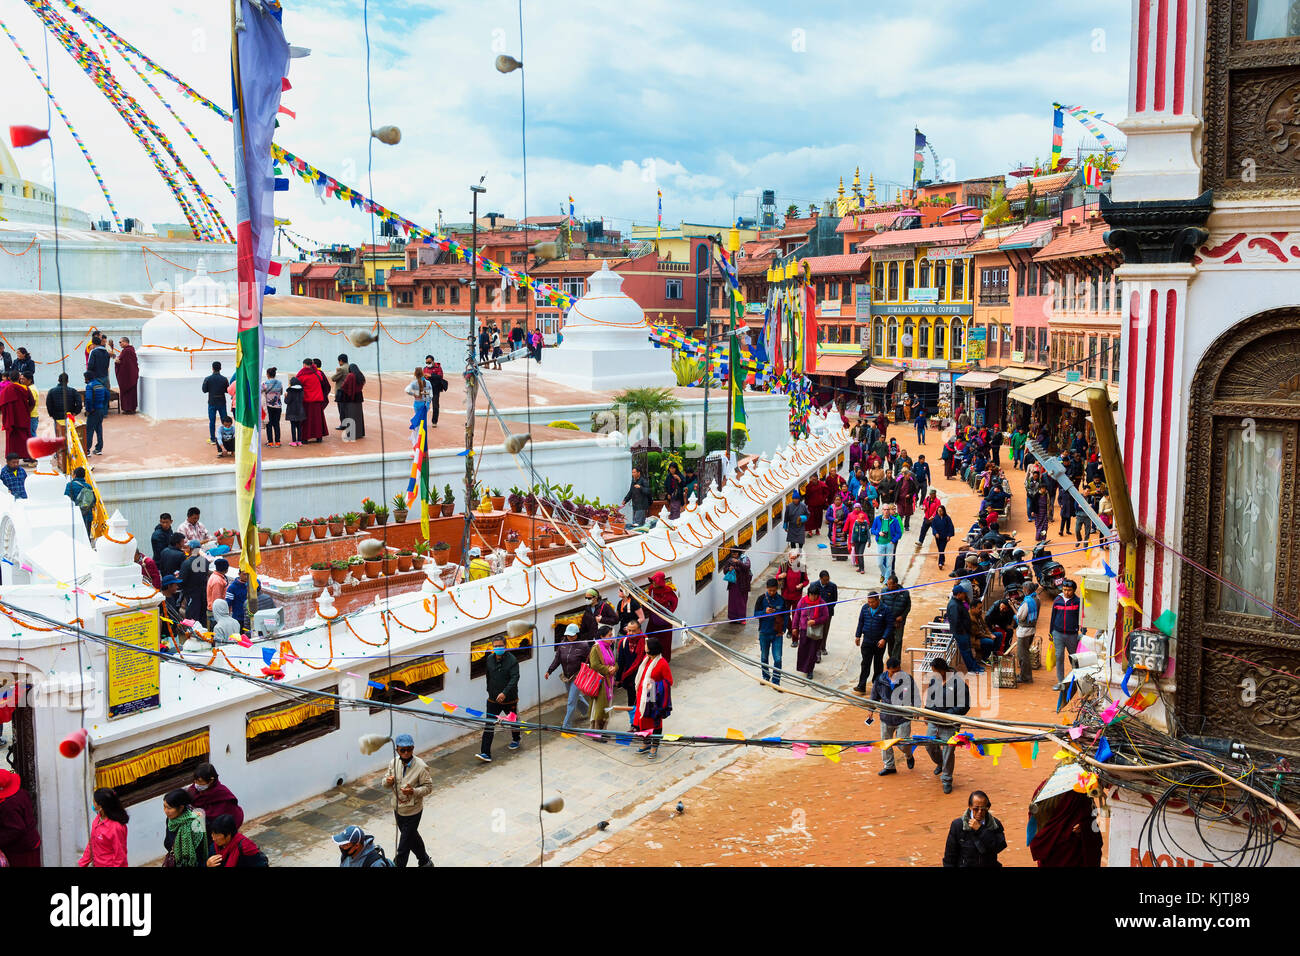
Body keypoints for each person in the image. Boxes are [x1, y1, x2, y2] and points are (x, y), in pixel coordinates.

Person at [380, 733, 434, 867]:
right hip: (398, 809)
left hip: (413, 811)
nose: (405, 753)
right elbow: (384, 784)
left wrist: (413, 791)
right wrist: (387, 781)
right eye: (402, 750)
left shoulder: (421, 766)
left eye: (409, 749)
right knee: (412, 838)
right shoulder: (393, 762)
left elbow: (428, 787)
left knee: (403, 847)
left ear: (413, 749)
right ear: (397, 750)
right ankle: (425, 861)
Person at [923, 658, 970, 794]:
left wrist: (948, 714)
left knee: (948, 751)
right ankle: (940, 762)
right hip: (934, 720)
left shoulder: (959, 684)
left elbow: (964, 705)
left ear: (943, 670)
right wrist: (926, 711)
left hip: (949, 723)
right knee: (929, 745)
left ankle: (947, 779)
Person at [870, 657, 918, 775]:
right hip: (886, 717)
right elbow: (874, 696)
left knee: (903, 744)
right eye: (894, 672)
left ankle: (908, 755)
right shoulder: (880, 680)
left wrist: (916, 709)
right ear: (887, 670)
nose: (897, 674)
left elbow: (915, 694)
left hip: (903, 717)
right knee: (886, 743)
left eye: (898, 671)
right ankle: (889, 766)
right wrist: (870, 710)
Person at [477, 635, 521, 761]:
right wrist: (490, 691)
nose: (498, 648)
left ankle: (516, 738)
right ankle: (485, 753)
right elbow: (488, 676)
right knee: (489, 724)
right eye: (495, 646)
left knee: (512, 720)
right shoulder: (490, 659)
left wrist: (504, 693)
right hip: (493, 699)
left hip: (509, 698)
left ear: (505, 646)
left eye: (500, 646)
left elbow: (515, 678)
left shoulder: (512, 660)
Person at [632, 635, 673, 759]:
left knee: (655, 723)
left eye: (646, 645)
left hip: (653, 698)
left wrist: (653, 686)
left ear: (651, 649)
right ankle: (646, 743)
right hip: (642, 696)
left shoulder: (662, 663)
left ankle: (654, 746)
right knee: (642, 720)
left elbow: (669, 681)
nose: (644, 647)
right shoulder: (647, 659)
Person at [547, 622, 593, 729]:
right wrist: (549, 671)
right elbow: (557, 659)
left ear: (577, 634)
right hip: (566, 676)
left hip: (578, 676)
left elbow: (590, 660)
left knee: (571, 701)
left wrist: (589, 673)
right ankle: (587, 710)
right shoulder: (562, 644)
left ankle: (566, 725)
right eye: (568, 635)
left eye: (572, 635)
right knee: (576, 697)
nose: (570, 637)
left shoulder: (584, 646)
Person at [943, 790, 1006, 866]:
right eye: (976, 809)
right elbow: (950, 857)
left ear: (987, 808)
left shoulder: (994, 824)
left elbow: (1000, 846)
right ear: (970, 807)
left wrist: (981, 830)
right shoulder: (958, 825)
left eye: (983, 809)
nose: (980, 812)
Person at [77, 787, 129, 867]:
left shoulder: (116, 827)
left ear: (101, 807)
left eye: (94, 802)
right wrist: (82, 863)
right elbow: (92, 843)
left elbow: (120, 857)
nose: (93, 803)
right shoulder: (98, 818)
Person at [853, 590, 893, 693]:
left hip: (879, 642)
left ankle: (876, 686)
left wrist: (884, 638)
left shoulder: (885, 610)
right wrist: (858, 635)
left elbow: (889, 626)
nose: (870, 604)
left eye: (872, 602)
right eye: (869, 602)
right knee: (865, 663)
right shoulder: (865, 608)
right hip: (867, 640)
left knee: (878, 664)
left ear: (878, 600)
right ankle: (861, 685)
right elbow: (861, 622)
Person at [0, 770, 41, 866]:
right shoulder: (22, 793)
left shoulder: (7, 806)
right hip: (32, 842)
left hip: (21, 850)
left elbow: (16, 829)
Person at [187, 763, 244, 831]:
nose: (196, 784)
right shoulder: (193, 789)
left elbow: (218, 817)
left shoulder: (222, 793)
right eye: (195, 781)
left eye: (200, 781)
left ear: (211, 780)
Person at [161, 788, 209, 868]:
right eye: (164, 807)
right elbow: (168, 843)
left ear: (181, 807)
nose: (165, 811)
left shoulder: (195, 823)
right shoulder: (170, 820)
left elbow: (199, 852)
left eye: (169, 808)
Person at [585, 625, 620, 731]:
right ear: (602, 636)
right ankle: (596, 731)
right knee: (599, 708)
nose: (612, 637)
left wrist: (615, 668)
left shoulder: (608, 648)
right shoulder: (596, 648)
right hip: (600, 683)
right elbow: (594, 665)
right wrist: (607, 670)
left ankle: (603, 729)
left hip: (609, 682)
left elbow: (615, 662)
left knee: (606, 707)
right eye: (609, 635)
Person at [791, 582, 829, 679]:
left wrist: (815, 621)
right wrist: (794, 627)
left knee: (812, 651)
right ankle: (803, 668)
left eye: (815, 595)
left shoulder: (822, 603)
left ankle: (810, 670)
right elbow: (797, 615)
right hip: (804, 630)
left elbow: (825, 617)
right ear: (808, 594)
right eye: (812, 595)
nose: (813, 597)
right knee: (803, 650)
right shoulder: (803, 601)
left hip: (816, 632)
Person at [753, 578, 787, 686]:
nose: (772, 592)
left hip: (777, 634)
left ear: (777, 589)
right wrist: (764, 612)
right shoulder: (761, 599)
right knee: (764, 657)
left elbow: (786, 616)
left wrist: (784, 629)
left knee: (777, 659)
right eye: (770, 590)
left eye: (774, 590)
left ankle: (776, 681)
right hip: (764, 633)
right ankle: (766, 676)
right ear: (766, 588)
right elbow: (755, 615)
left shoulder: (781, 600)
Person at [1050, 579, 1083, 686]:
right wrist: (1051, 632)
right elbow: (1053, 617)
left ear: (1074, 590)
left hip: (1072, 635)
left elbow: (1082, 619)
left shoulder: (1077, 602)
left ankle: (1078, 680)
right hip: (1057, 634)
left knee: (1074, 658)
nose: (1066, 592)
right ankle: (1061, 682)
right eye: (1064, 590)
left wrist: (1083, 632)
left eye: (1069, 590)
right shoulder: (1057, 600)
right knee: (1059, 656)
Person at [616, 617, 647, 729]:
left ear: (639, 630)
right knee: (631, 703)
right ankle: (633, 724)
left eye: (633, 631)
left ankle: (642, 724)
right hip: (629, 680)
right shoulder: (623, 643)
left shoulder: (645, 642)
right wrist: (618, 679)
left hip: (643, 680)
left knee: (642, 703)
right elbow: (621, 662)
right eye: (629, 630)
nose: (631, 633)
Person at [0, 372, 33, 461]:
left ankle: (11, 458)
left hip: (10, 420)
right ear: (19, 378)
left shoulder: (5, 390)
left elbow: (2, 405)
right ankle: (29, 457)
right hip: (23, 418)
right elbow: (32, 402)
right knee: (24, 437)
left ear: (9, 378)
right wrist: (27, 412)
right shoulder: (25, 388)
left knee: (12, 439)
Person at [296, 358, 328, 442]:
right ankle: (319, 437)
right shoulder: (317, 373)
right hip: (317, 400)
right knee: (318, 420)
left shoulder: (302, 375)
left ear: (304, 365)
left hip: (307, 400)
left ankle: (305, 438)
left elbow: (297, 383)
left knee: (306, 421)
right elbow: (322, 381)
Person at [881, 572, 911, 662]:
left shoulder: (905, 593)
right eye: (888, 584)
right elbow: (881, 606)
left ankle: (896, 660)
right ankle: (892, 659)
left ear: (896, 584)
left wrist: (902, 616)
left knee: (898, 641)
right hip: (888, 621)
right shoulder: (884, 592)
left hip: (899, 622)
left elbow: (908, 607)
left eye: (890, 584)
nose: (888, 586)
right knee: (890, 641)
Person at [870, 503, 903, 583]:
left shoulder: (894, 520)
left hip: (890, 544)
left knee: (889, 564)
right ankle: (885, 575)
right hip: (880, 543)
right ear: (882, 510)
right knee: (880, 563)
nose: (886, 511)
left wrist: (893, 541)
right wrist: (878, 533)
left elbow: (899, 533)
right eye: (884, 510)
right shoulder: (878, 519)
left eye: (888, 510)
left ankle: (886, 582)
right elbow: (872, 530)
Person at [1016, 584, 1040, 684]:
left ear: (1027, 590)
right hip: (1031, 630)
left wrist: (1017, 610)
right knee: (1025, 653)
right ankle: (1024, 674)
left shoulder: (1028, 601)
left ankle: (1026, 677)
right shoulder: (1036, 598)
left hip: (1024, 631)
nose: (1023, 590)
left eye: (1023, 589)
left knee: (1022, 655)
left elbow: (1020, 616)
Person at [81, 371, 108, 456]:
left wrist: (89, 409)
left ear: (87, 378)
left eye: (85, 378)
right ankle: (99, 448)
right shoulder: (100, 385)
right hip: (100, 410)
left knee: (89, 430)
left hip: (93, 411)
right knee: (99, 429)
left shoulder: (89, 386)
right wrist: (102, 406)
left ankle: (87, 449)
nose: (84, 379)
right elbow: (107, 395)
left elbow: (88, 399)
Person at [201, 361, 229, 445]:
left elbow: (204, 390)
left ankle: (213, 439)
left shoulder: (208, 379)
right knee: (224, 420)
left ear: (212, 368)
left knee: (212, 421)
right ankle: (226, 437)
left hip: (212, 402)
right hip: (221, 402)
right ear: (220, 368)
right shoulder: (224, 379)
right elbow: (227, 390)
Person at [338, 363, 366, 440]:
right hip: (359, 397)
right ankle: (360, 433)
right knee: (359, 416)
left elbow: (344, 385)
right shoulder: (360, 375)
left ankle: (352, 434)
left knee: (350, 415)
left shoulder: (350, 375)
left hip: (350, 398)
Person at [64, 466, 95, 534]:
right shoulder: (88, 486)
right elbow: (94, 500)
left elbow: (66, 499)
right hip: (87, 515)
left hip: (75, 515)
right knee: (87, 537)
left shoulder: (70, 485)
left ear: (74, 475)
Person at [723, 551, 752, 622]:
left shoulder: (745, 559)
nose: (734, 555)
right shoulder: (730, 560)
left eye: (735, 554)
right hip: (733, 584)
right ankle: (733, 619)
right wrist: (728, 569)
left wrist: (738, 562)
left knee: (741, 602)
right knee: (733, 602)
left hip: (743, 584)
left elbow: (747, 567)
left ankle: (742, 619)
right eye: (733, 554)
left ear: (739, 553)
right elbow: (724, 570)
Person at [113, 337, 139, 413]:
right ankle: (131, 408)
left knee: (127, 393)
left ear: (125, 342)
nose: (119, 344)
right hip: (132, 376)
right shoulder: (130, 350)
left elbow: (123, 363)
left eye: (120, 342)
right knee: (131, 393)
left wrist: (117, 361)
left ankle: (128, 409)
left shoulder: (126, 351)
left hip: (127, 377)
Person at [404, 367, 431, 433]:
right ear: (422, 373)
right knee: (423, 419)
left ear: (415, 374)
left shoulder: (413, 383)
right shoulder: (427, 382)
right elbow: (430, 394)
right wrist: (428, 403)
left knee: (418, 417)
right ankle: (422, 435)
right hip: (425, 403)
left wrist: (414, 394)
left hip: (417, 403)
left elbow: (406, 390)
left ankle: (417, 434)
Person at [261, 367, 283, 447]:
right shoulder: (280, 383)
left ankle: (270, 442)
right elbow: (281, 392)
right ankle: (278, 442)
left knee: (269, 424)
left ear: (267, 374)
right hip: (278, 406)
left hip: (269, 406)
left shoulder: (265, 383)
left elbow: (260, 391)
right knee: (276, 424)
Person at [895, 467, 919, 531]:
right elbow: (896, 490)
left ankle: (906, 526)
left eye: (910, 475)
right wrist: (896, 498)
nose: (909, 476)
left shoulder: (911, 482)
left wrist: (910, 495)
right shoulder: (900, 481)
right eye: (908, 475)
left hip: (908, 500)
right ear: (905, 475)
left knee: (908, 514)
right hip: (900, 500)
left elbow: (914, 490)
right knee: (900, 514)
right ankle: (899, 525)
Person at [284, 374, 306, 446]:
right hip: (300, 411)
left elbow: (287, 401)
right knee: (299, 427)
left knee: (293, 426)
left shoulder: (290, 391)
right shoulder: (301, 390)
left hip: (292, 411)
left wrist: (285, 396)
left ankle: (294, 442)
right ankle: (299, 441)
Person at [207, 558, 230, 625]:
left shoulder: (217, 576)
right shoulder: (217, 581)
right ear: (226, 569)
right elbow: (217, 600)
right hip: (216, 613)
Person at [425, 357, 447, 426]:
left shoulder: (438, 368)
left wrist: (431, 375)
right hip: (427, 389)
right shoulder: (425, 368)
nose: (428, 364)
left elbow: (440, 377)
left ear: (433, 361)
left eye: (429, 362)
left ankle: (434, 422)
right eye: (426, 362)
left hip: (435, 389)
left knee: (435, 405)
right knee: (424, 405)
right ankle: (422, 420)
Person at [331, 354, 350, 430]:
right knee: (347, 408)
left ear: (341, 360)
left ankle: (343, 424)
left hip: (341, 392)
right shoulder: (350, 367)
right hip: (348, 391)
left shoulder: (341, 369)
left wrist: (336, 371)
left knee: (341, 409)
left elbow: (333, 378)